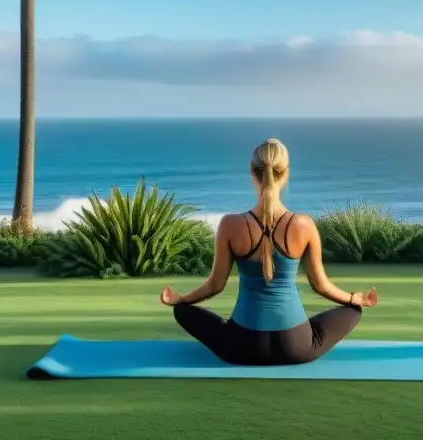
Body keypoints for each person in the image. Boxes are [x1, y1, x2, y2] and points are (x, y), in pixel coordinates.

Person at [160, 138, 378, 366]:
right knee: (354, 311)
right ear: (285, 174)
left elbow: (215, 286)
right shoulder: (304, 225)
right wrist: (356, 298)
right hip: (296, 346)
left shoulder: (230, 225)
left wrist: (182, 299)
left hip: (240, 346)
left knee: (182, 312)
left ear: (252, 173)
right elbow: (320, 285)